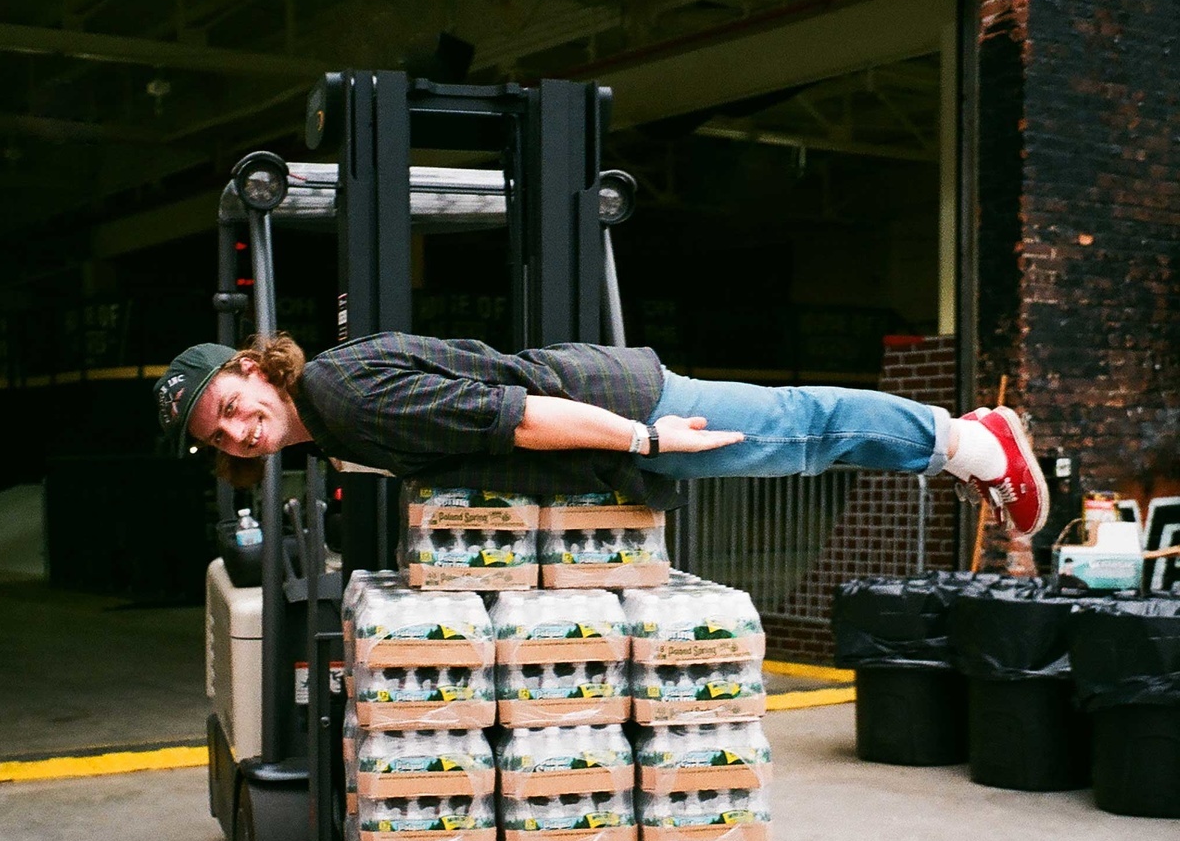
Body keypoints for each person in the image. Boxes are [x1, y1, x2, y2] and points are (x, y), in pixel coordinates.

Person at [154, 330, 1048, 534]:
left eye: (228, 405)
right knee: (793, 436)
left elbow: (516, 419)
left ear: (251, 367)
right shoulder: (331, 414)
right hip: (612, 406)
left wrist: (646, 442)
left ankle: (971, 445)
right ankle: (961, 441)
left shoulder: (340, 399)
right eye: (218, 439)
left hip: (621, 412)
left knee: (795, 432)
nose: (237, 432)